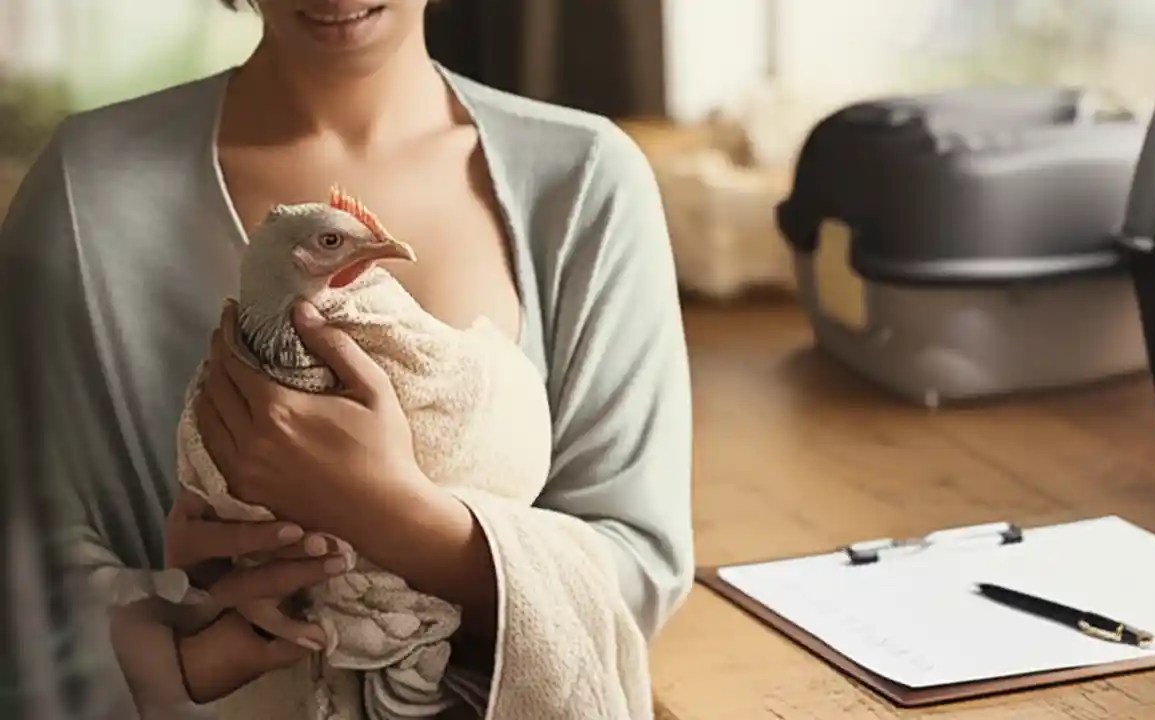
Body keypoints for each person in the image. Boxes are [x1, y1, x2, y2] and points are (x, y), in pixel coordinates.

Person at [0, 0, 694, 716]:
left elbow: (640, 569)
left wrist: (395, 517)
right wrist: (193, 633)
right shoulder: (87, 190)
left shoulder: (584, 184)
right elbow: (23, 576)